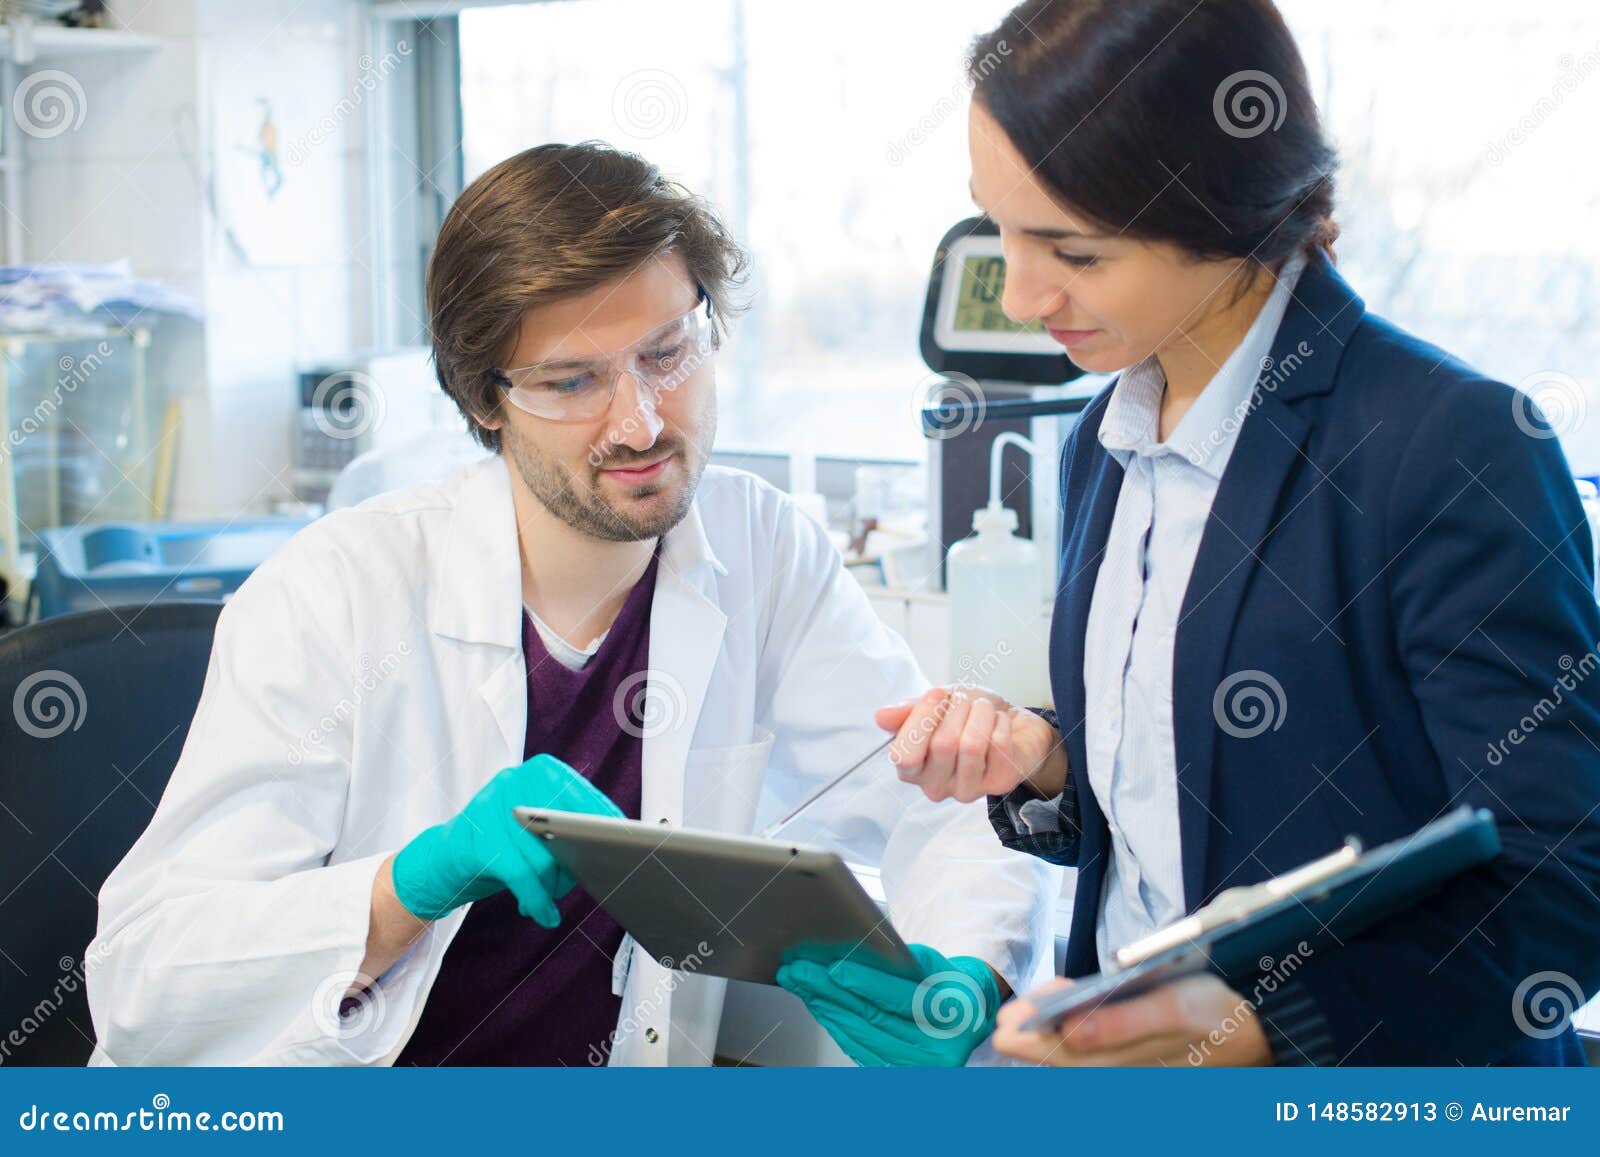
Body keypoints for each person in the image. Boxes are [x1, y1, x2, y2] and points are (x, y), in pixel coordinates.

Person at [86, 142, 1056, 1068]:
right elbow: (141, 981)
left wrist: (967, 964)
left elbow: (935, 796)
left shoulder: (762, 548)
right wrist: (408, 882)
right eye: (572, 381)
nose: (638, 420)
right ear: (484, 399)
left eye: (667, 353)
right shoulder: (336, 591)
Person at [800, 0, 1600, 1065]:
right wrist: (1047, 763)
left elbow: (1564, 875)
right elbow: (1196, 798)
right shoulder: (1107, 437)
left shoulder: (1445, 444)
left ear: (1224, 211)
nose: (1022, 288)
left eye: (1070, 249)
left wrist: (1263, 1028)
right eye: (998, 225)